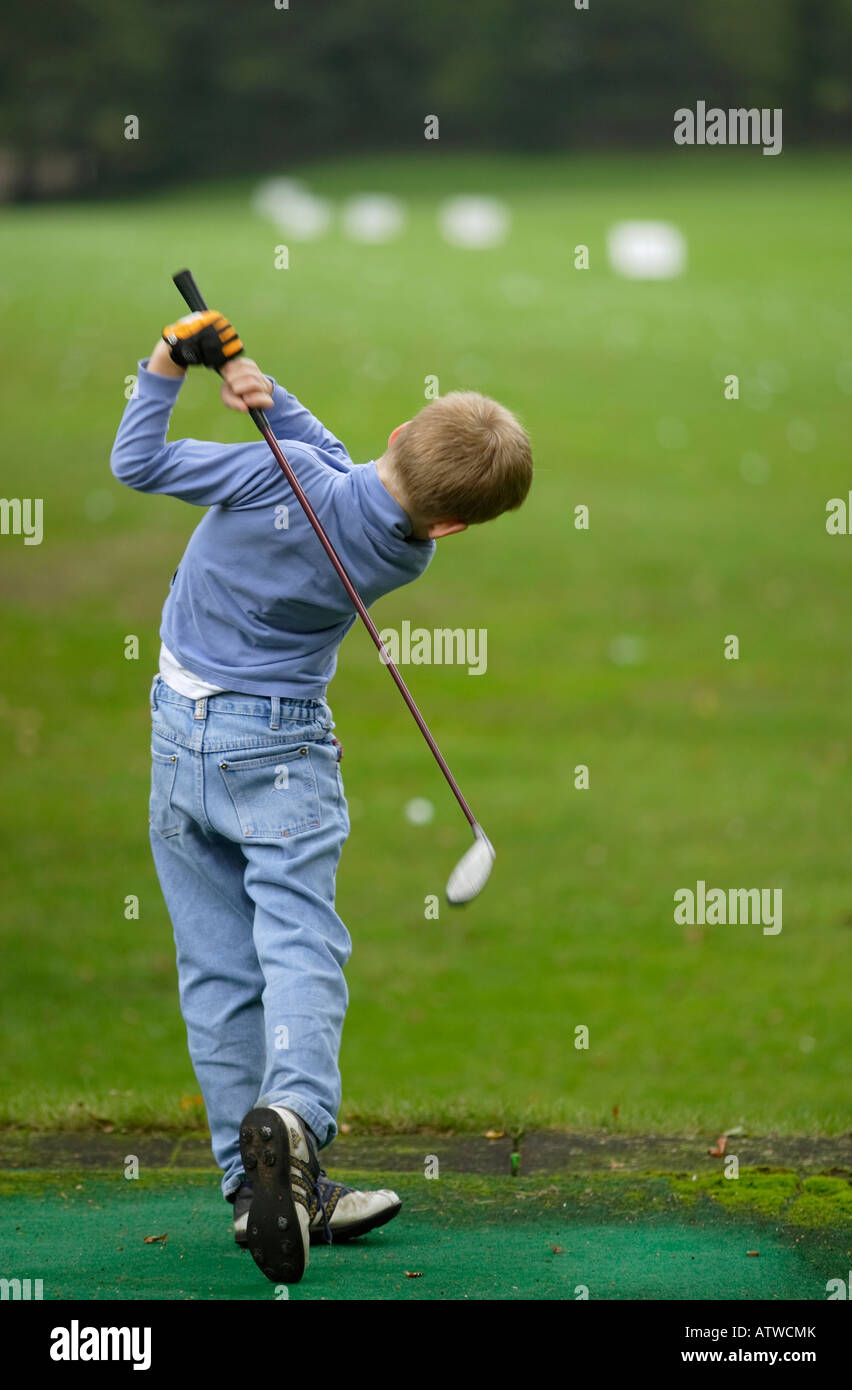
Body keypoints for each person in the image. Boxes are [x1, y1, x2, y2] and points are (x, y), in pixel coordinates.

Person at [110, 308, 533, 1284]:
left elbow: (140, 461)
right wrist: (261, 382)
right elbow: (333, 469)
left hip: (181, 735)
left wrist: (166, 365)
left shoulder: (274, 474)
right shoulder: (404, 547)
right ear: (458, 522)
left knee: (217, 967)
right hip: (284, 752)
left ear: (397, 434)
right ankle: (292, 1134)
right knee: (298, 938)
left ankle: (256, 1182)